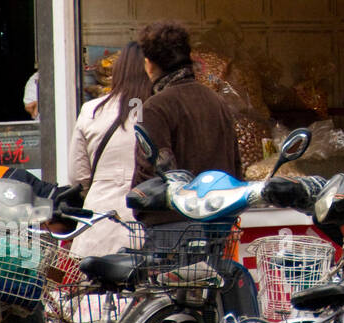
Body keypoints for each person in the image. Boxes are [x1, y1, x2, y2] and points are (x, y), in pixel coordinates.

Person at [131, 21, 241, 212]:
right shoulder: (216, 101)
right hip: (219, 215)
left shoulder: (154, 107)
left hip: (173, 222)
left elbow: (150, 171)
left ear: (149, 63)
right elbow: (236, 163)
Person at [66, 42, 152, 258]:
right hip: (144, 222)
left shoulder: (91, 110)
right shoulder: (157, 111)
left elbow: (78, 177)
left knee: (96, 289)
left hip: (99, 219)